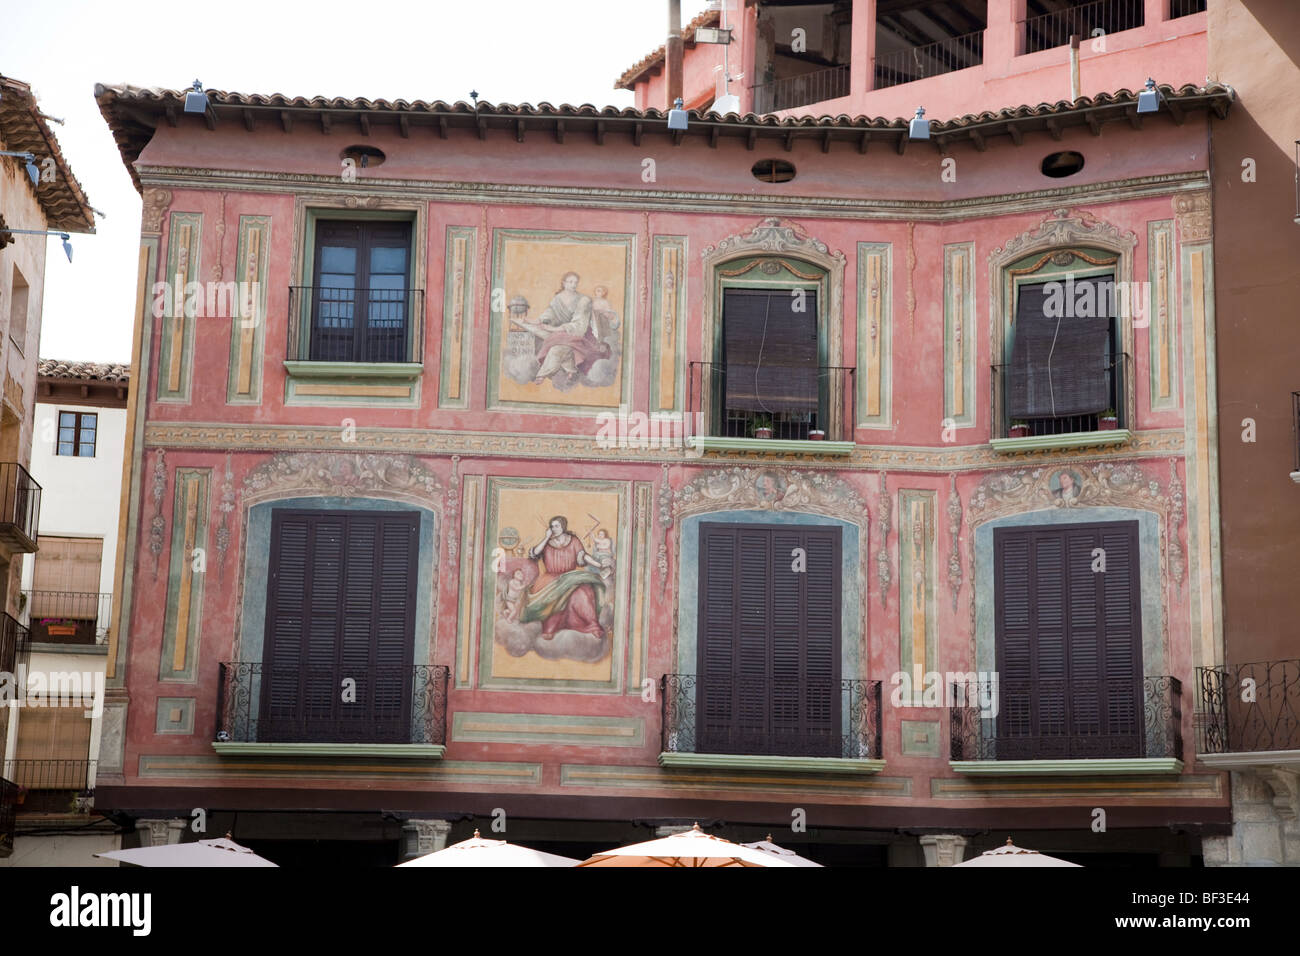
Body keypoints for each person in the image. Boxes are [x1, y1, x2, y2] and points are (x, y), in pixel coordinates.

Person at [510, 273, 610, 387]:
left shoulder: (584, 300)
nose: (573, 285)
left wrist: (555, 329)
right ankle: (570, 369)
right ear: (564, 283)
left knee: (558, 348)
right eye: (570, 282)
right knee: (546, 339)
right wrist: (538, 321)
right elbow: (550, 313)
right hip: (562, 333)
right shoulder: (558, 298)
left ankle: (542, 374)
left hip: (579, 334)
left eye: (575, 282)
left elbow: (579, 324)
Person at [523, 515, 607, 640]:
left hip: (571, 576)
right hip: (551, 579)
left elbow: (583, 556)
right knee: (555, 596)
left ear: (563, 526)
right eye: (552, 526)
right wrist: (546, 537)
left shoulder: (573, 540)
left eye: (557, 526)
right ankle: (551, 627)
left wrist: (599, 565)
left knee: (583, 593)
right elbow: (534, 553)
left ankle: (592, 625)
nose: (554, 529)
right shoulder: (547, 542)